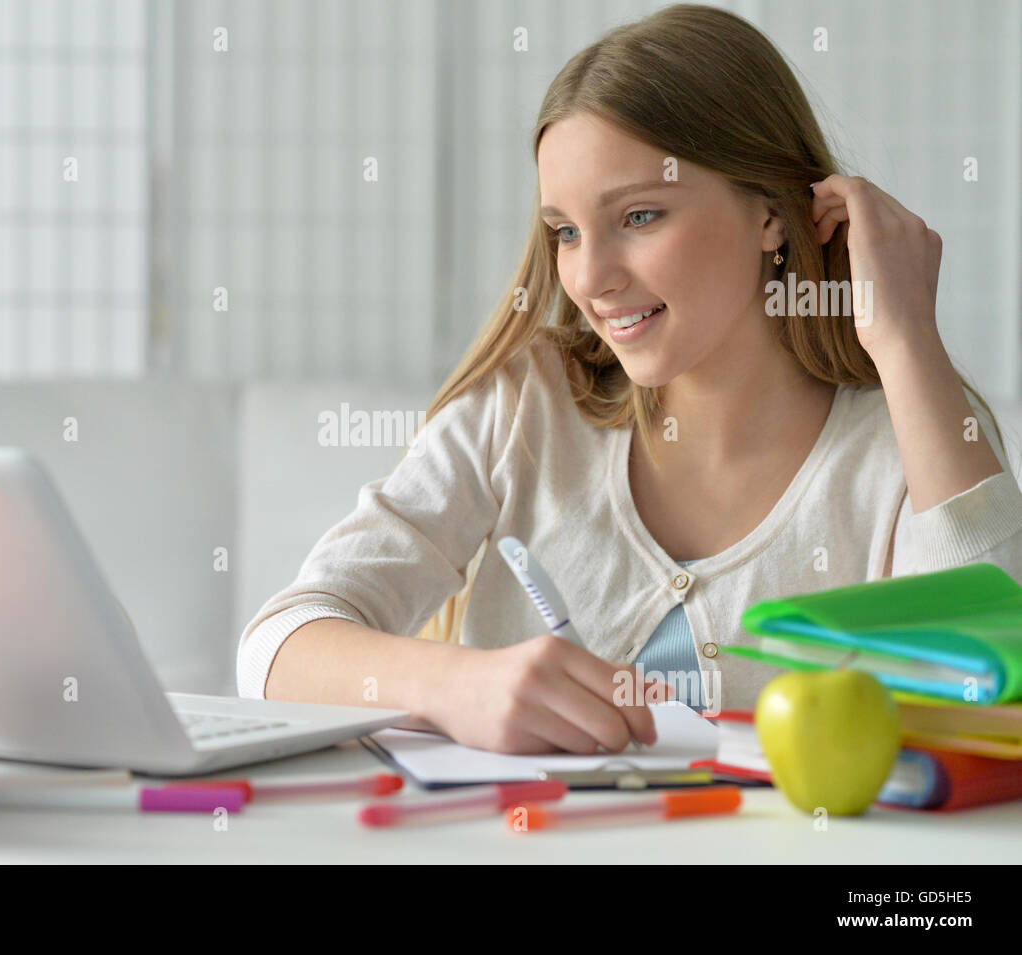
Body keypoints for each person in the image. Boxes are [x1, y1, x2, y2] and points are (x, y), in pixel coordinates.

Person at [237, 4, 1022, 755]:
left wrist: (909, 339)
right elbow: (274, 651)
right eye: (566, 232)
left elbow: (993, 693)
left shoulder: (901, 447)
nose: (591, 277)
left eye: (640, 216)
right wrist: (462, 684)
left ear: (770, 215)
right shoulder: (524, 406)